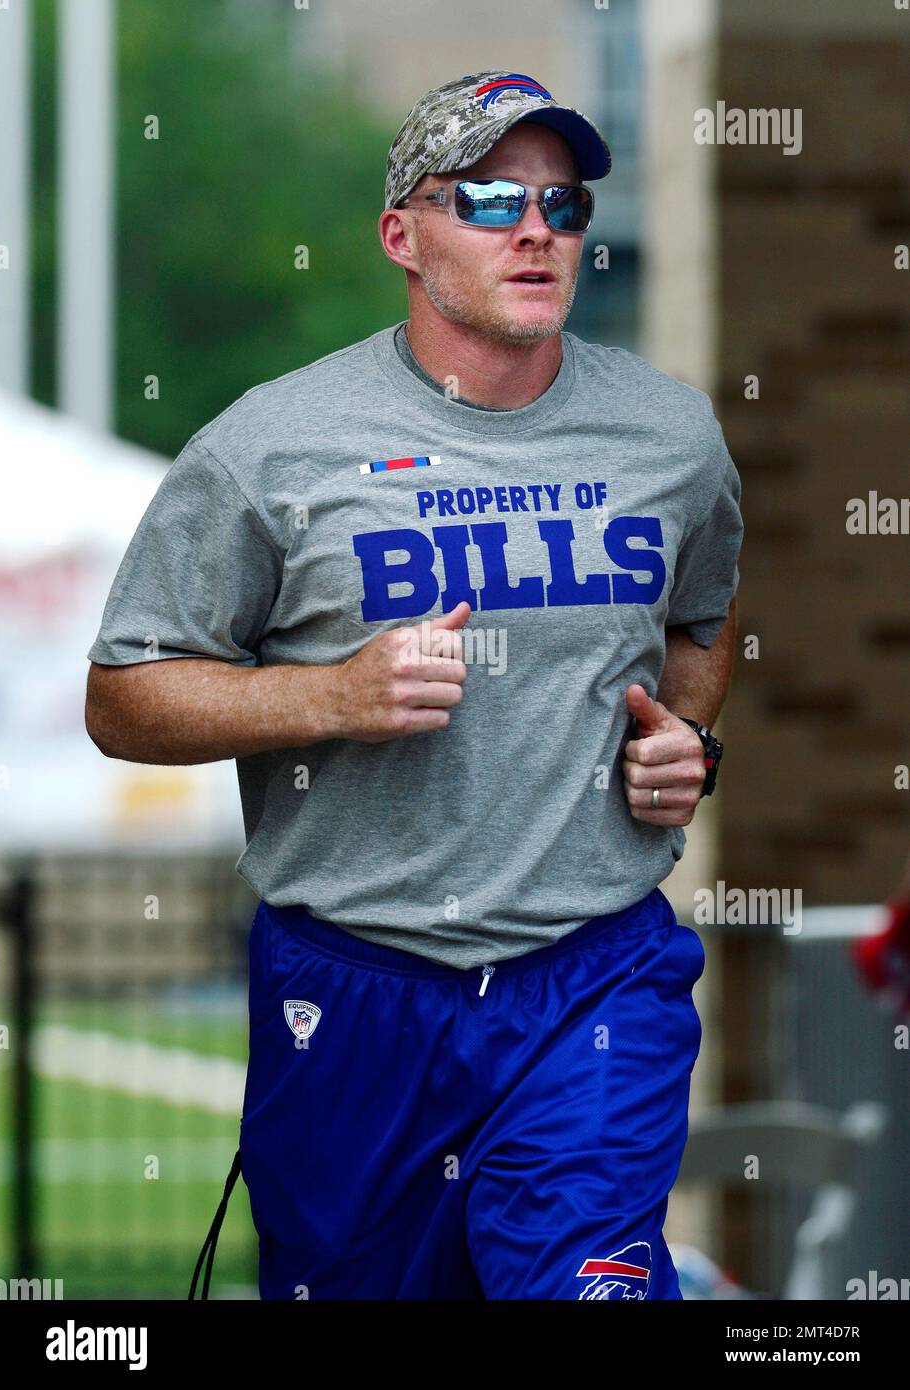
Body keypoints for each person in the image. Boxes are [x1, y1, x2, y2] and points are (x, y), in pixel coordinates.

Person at [85, 70, 744, 1301]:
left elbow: (702, 611)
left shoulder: (669, 436)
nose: (536, 227)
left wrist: (690, 736)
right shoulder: (268, 444)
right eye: (490, 199)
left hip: (589, 973)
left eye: (562, 202)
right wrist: (327, 697)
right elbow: (123, 697)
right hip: (349, 987)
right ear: (403, 233)